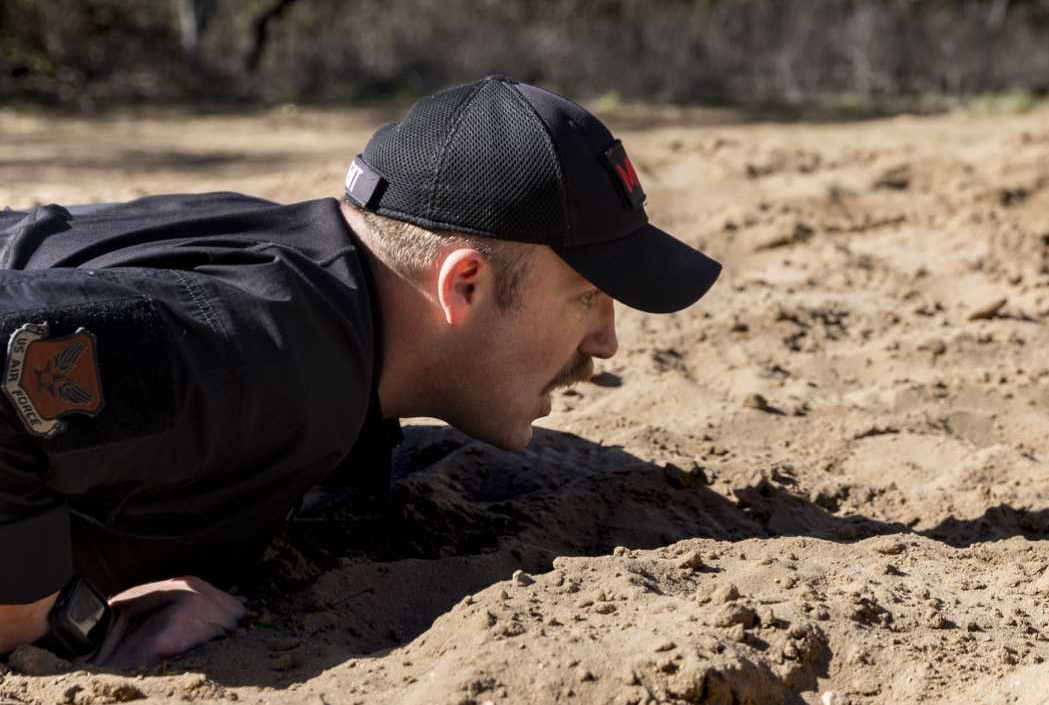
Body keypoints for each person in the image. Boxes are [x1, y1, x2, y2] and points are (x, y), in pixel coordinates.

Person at [0, 76, 722, 666]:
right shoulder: (269, 356)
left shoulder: (323, 294)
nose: (607, 343)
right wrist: (54, 617)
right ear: (463, 284)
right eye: (587, 296)